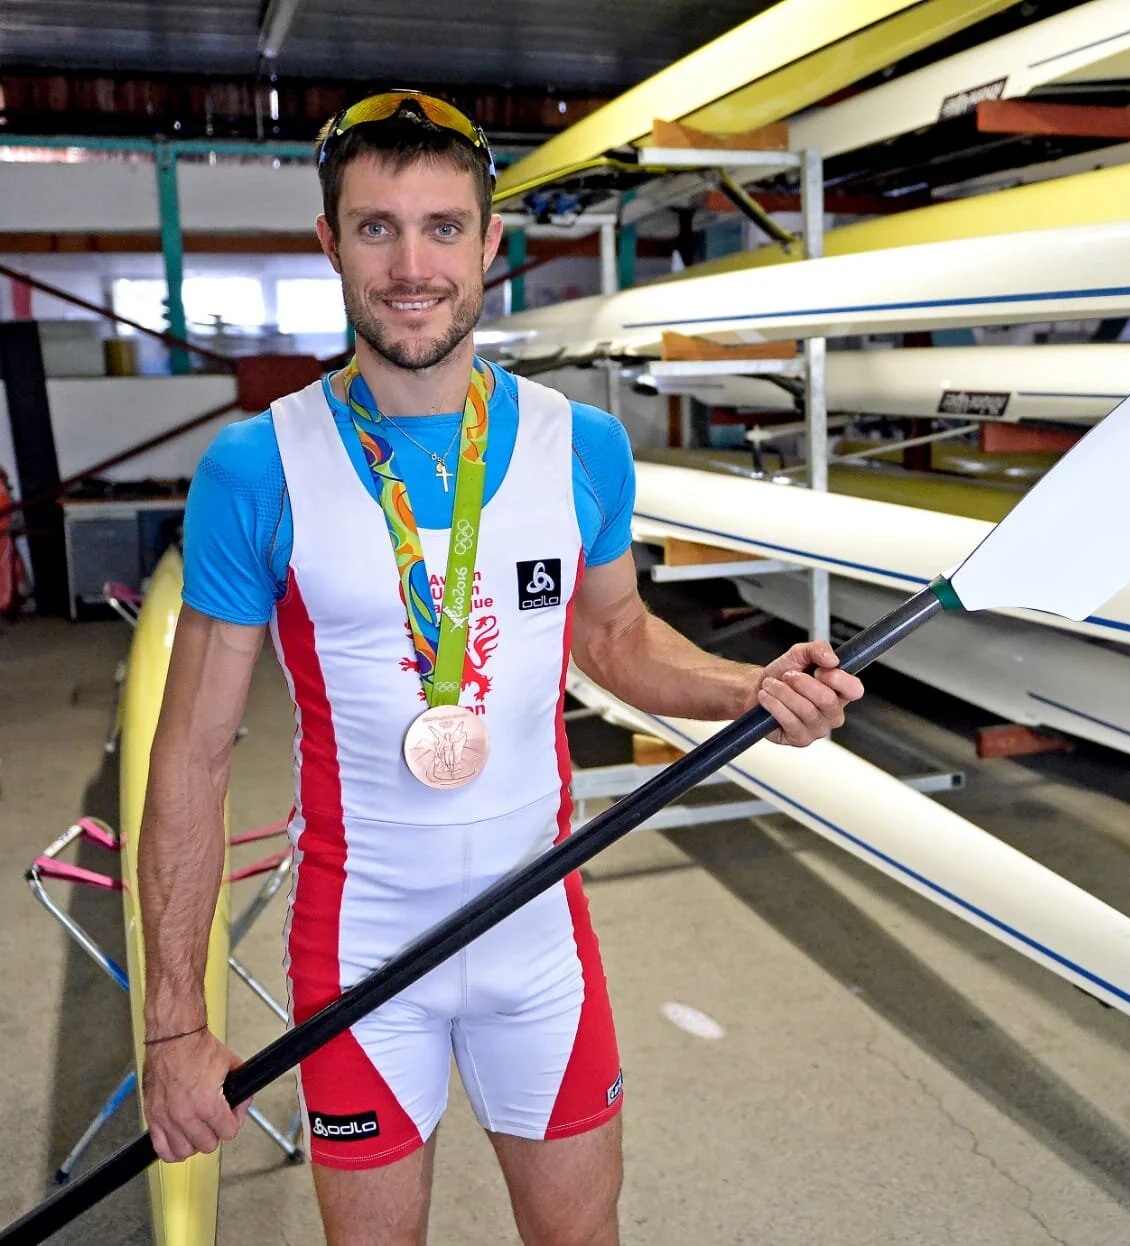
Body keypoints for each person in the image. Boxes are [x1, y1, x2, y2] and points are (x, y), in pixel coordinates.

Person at [138, 89, 863, 1246]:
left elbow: (616, 637)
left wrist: (748, 689)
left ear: (489, 245)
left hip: (538, 935)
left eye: (441, 227)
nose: (411, 263)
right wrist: (175, 1025)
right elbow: (189, 757)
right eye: (376, 227)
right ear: (330, 244)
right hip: (361, 942)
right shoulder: (256, 467)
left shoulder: (583, 444)